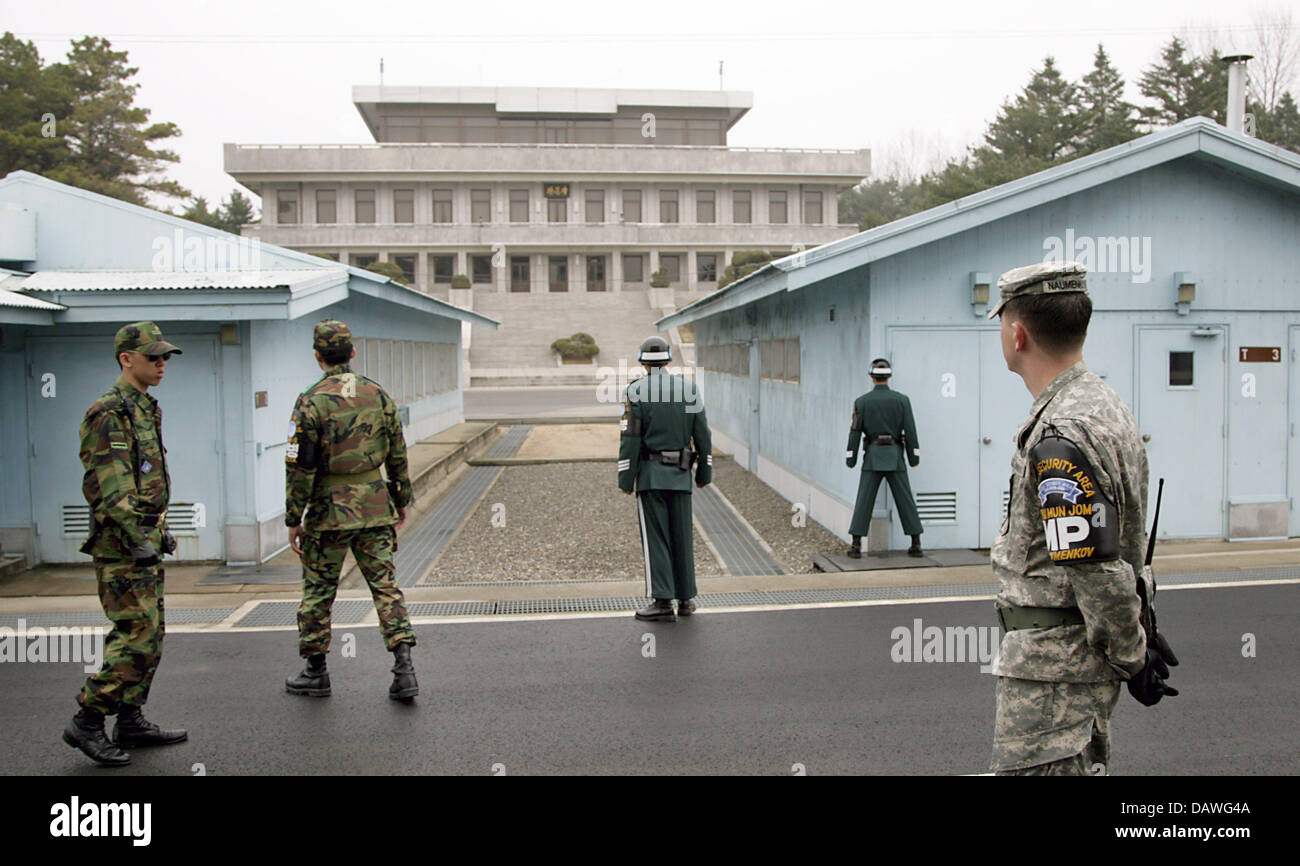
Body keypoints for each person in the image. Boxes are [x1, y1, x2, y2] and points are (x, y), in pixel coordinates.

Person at [987, 261, 1178, 776]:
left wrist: (1131, 652)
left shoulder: (1062, 431)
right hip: (1071, 671)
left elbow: (1093, 564)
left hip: (1053, 679)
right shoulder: (1101, 403)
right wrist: (1133, 637)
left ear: (1017, 332)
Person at [64, 322, 189, 767]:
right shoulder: (110, 411)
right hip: (122, 546)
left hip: (143, 538)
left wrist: (159, 529)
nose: (161, 364)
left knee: (152, 634)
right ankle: (88, 719)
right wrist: (138, 537)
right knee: (135, 635)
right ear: (126, 359)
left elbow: (145, 476)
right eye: (153, 357)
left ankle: (130, 719)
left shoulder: (144, 407)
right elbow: (112, 487)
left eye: (164, 357)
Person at [284, 319, 419, 701]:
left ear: (317, 357)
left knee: (319, 590)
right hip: (374, 505)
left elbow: (299, 464)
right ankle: (404, 667)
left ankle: (316, 671)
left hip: (328, 512)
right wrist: (400, 499)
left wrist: (295, 517)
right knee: (385, 586)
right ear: (352, 352)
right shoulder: (377, 393)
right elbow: (397, 450)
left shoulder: (310, 400)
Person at [618, 336, 712, 621]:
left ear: (642, 361)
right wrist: (704, 473)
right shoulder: (690, 390)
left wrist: (626, 478)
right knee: (682, 536)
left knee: (656, 538)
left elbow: (630, 440)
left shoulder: (635, 393)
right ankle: (685, 599)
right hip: (682, 475)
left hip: (651, 477)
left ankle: (662, 601)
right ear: (669, 359)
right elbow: (703, 436)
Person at [844, 358, 923, 558]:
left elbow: (855, 432)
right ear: (889, 376)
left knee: (864, 500)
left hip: (872, 457)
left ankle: (855, 545)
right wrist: (914, 457)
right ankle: (915, 543)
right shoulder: (902, 400)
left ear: (871, 377)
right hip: (895, 456)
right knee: (905, 500)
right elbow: (911, 430)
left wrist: (850, 457)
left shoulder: (862, 402)